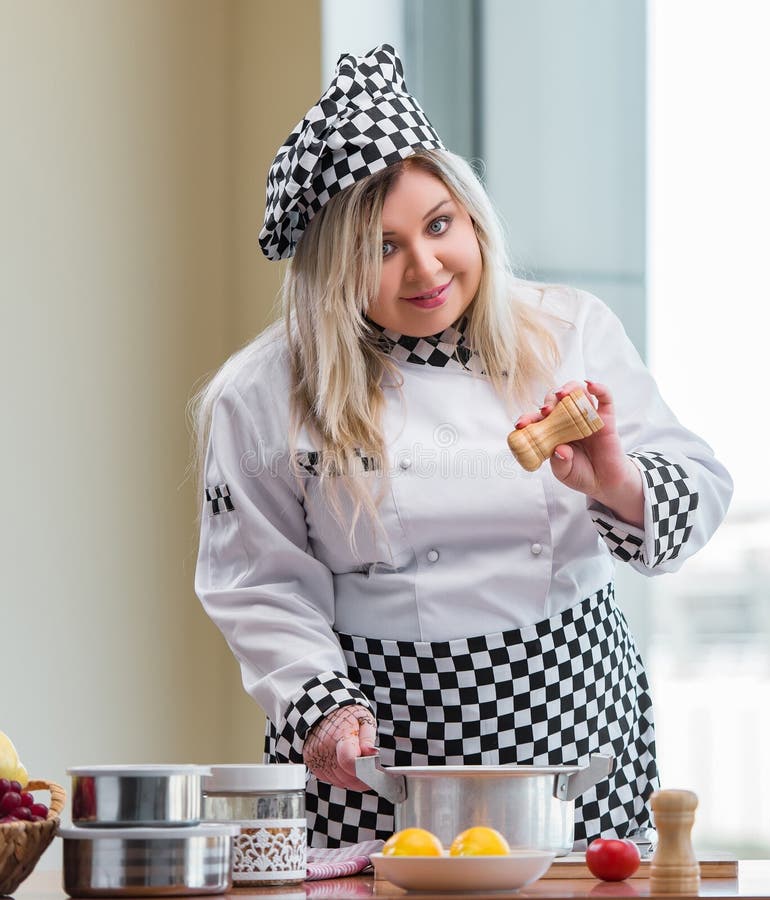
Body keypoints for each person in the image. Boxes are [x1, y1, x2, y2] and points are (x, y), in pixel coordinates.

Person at [192, 44, 732, 848]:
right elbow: (257, 583)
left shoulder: (567, 329)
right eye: (382, 248)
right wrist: (324, 713)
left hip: (572, 726)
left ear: (472, 216)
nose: (426, 267)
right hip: (379, 751)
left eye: (439, 225)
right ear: (332, 269)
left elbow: (700, 492)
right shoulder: (262, 392)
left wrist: (616, 483)